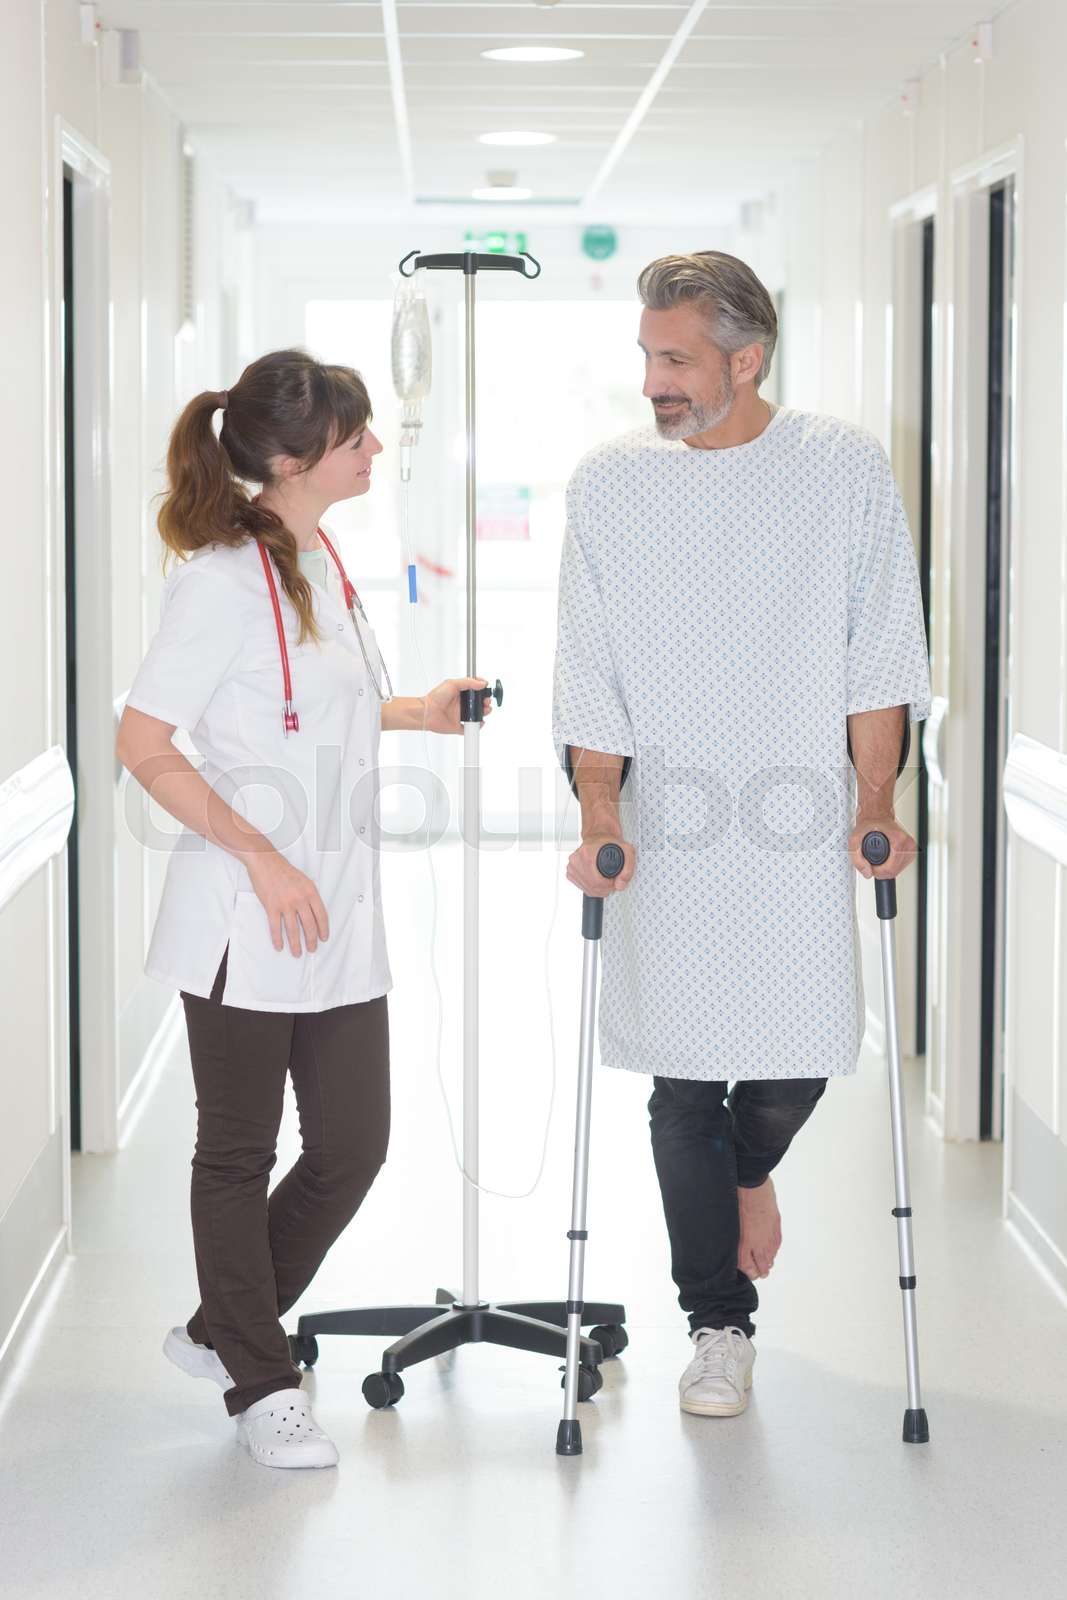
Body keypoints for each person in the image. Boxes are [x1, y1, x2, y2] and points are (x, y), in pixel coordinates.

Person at [551, 252, 931, 1420]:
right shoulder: (609, 485)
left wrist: (874, 801)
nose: (654, 380)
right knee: (679, 1090)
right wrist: (600, 813)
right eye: (647, 357)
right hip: (666, 824)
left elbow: (879, 652)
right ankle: (717, 1321)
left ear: (744, 358)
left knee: (799, 1053)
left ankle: (749, 1168)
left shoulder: (840, 470)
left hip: (794, 818)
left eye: (675, 358)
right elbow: (588, 665)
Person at [116, 348, 493, 1469]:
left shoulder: (317, 553)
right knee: (236, 1151)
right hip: (246, 912)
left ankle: (219, 1326)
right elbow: (145, 743)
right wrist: (262, 853)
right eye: (355, 435)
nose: (375, 447)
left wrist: (413, 712)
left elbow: (299, 709)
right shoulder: (219, 579)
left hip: (333, 909)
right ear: (289, 459)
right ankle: (258, 1381)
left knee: (352, 1145)